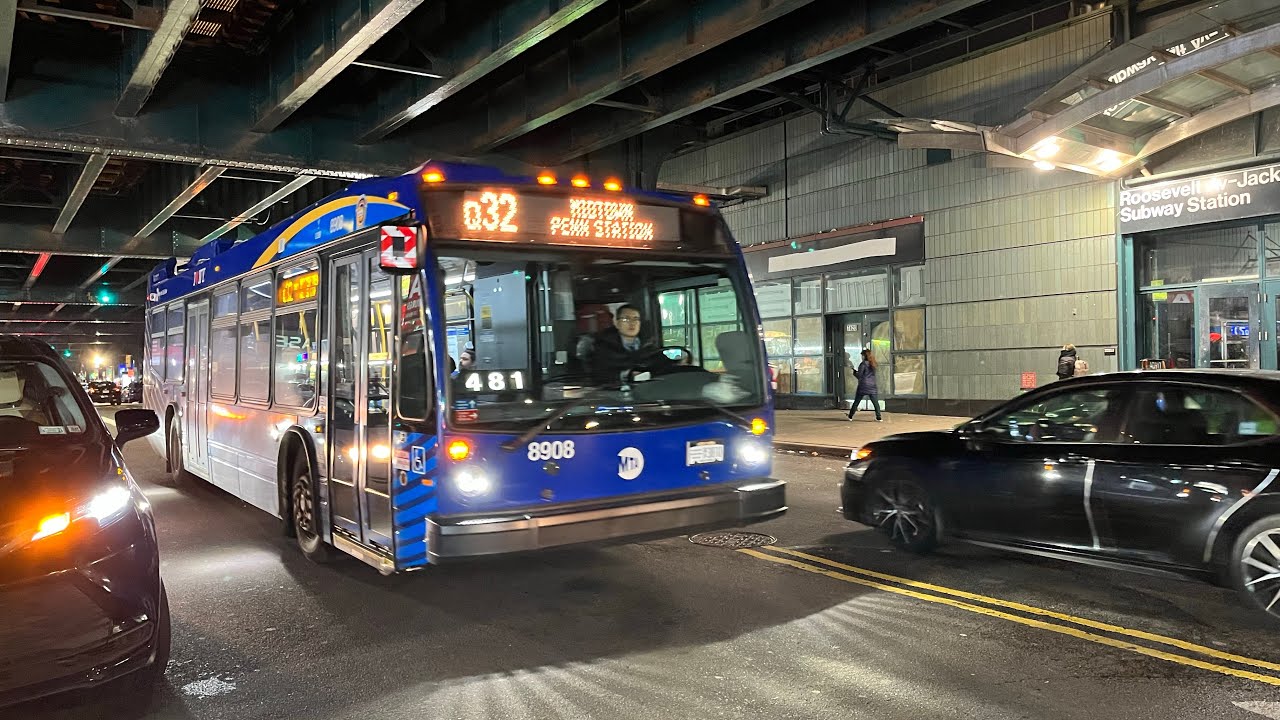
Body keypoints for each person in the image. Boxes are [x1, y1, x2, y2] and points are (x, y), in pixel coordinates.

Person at [577, 304, 671, 383]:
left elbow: (661, 365)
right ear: (617, 323)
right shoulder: (603, 347)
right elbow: (599, 374)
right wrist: (626, 375)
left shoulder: (649, 346)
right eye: (626, 319)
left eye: (636, 319)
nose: (632, 323)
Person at [847, 349, 882, 422]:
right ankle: (879, 417)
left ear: (863, 356)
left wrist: (854, 373)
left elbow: (859, 375)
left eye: (861, 355)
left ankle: (850, 416)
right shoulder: (873, 363)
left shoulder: (863, 364)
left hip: (863, 385)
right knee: (875, 402)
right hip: (872, 385)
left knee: (856, 402)